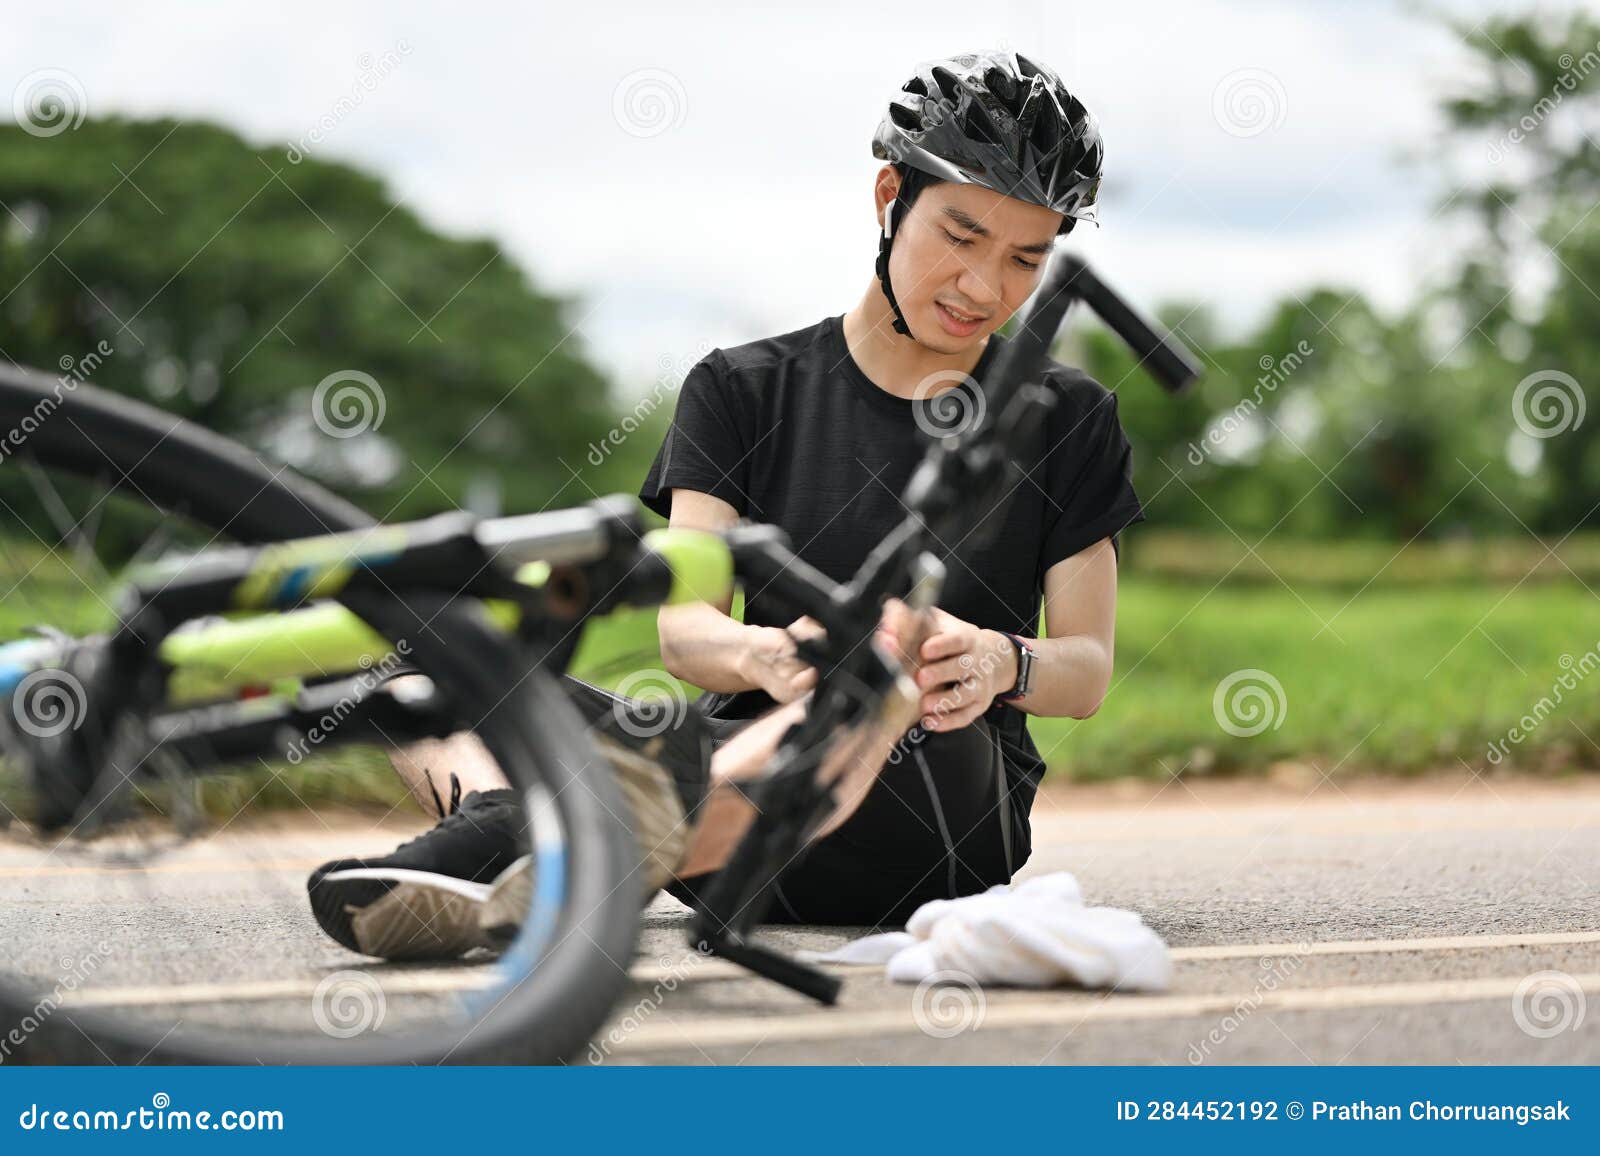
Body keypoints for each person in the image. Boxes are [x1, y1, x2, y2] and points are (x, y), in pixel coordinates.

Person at [306, 48, 1143, 960]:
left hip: (938, 803)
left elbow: (1087, 668)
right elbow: (688, 635)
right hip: (733, 788)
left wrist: (997, 659)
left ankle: (543, 835)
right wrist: (774, 655)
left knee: (893, 652)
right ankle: (524, 834)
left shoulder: (1071, 417)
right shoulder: (742, 389)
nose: (986, 287)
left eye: (1028, 258)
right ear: (889, 195)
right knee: (426, 664)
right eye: (961, 236)